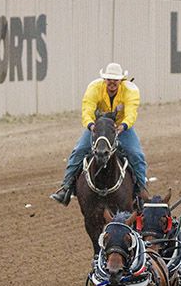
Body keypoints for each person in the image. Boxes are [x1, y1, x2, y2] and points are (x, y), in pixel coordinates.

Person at [50, 62, 146, 206]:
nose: (112, 83)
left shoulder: (130, 91)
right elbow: (87, 109)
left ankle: (141, 193)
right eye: (109, 79)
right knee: (80, 150)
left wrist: (123, 126)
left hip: (121, 128)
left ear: (121, 80)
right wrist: (91, 125)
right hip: (98, 128)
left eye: (115, 80)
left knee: (136, 154)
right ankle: (66, 187)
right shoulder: (94, 88)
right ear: (104, 79)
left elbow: (131, 112)